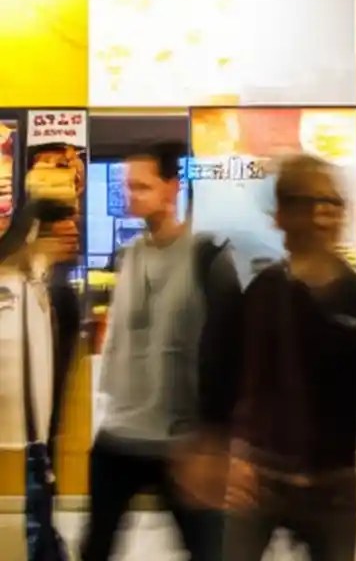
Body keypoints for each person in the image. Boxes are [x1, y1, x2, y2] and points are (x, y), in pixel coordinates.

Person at [219, 154, 356, 561]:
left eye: (331, 204)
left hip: (333, 483)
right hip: (260, 476)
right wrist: (233, 454)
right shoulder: (264, 291)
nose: (321, 215)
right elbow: (238, 377)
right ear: (281, 216)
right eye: (308, 203)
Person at [81, 142, 241, 561]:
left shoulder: (208, 258)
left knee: (208, 551)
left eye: (142, 186)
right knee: (95, 546)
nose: (132, 196)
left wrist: (214, 440)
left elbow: (229, 352)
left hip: (182, 441)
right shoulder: (127, 257)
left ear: (172, 188)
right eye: (128, 187)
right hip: (121, 433)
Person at [0, 196, 78, 561]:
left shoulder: (41, 289)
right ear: (34, 236)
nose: (70, 242)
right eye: (61, 235)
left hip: (34, 442)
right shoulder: (15, 290)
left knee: (40, 531)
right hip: (21, 442)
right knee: (34, 531)